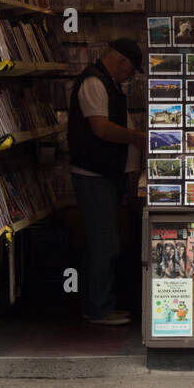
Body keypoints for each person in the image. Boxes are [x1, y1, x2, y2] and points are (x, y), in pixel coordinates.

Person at [67, 38, 143, 326]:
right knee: (103, 243)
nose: (132, 76)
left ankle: (103, 303)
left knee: (107, 241)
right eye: (132, 69)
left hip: (105, 175)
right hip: (93, 175)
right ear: (121, 60)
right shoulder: (94, 83)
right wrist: (136, 138)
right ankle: (98, 308)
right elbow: (100, 127)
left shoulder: (108, 84)